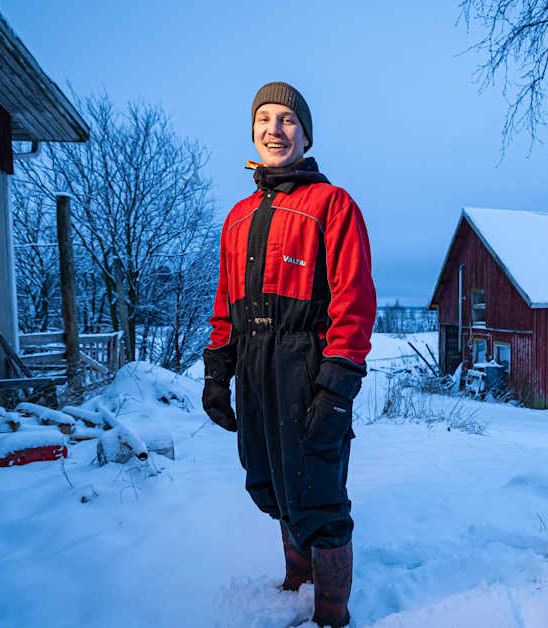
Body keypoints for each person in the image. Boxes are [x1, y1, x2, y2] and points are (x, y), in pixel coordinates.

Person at [201, 81, 375, 628]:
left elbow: (354, 299)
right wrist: (217, 372)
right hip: (254, 366)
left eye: (287, 121)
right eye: (265, 119)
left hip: (306, 361)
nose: (275, 130)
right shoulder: (237, 216)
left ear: (305, 133)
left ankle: (330, 612)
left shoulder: (332, 204)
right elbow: (226, 303)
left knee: (317, 487)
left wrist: (336, 384)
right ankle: (294, 582)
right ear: (253, 130)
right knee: (270, 478)